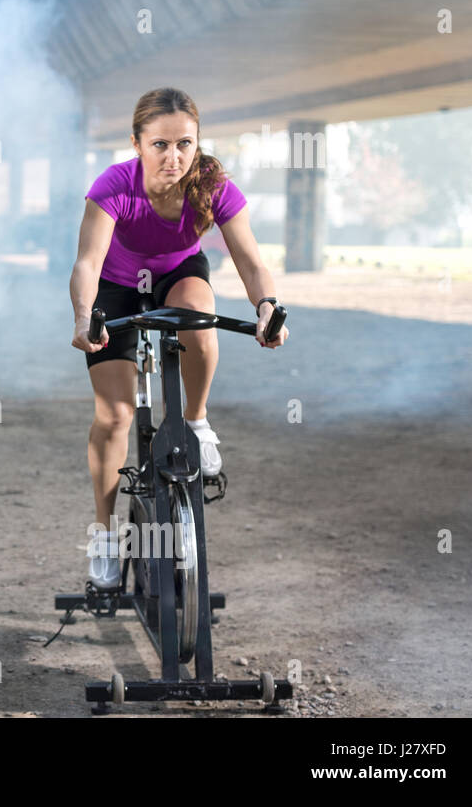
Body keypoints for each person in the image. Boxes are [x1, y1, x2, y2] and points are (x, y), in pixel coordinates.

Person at [69, 87, 289, 590]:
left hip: (177, 275)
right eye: (161, 145)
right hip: (118, 285)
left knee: (198, 309)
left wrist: (266, 306)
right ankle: (105, 535)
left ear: (198, 143)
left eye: (185, 144)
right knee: (115, 415)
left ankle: (196, 421)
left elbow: (251, 261)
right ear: (137, 144)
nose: (174, 157)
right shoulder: (114, 185)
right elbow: (86, 262)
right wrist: (85, 317)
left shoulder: (213, 186)